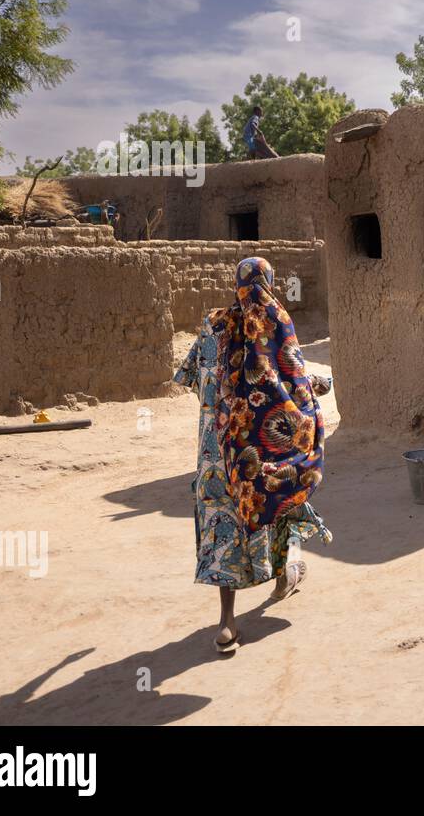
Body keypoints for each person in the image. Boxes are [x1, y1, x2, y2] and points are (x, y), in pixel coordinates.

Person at [174, 256, 332, 654]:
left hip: (215, 454)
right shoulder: (274, 323)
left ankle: (227, 624)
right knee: (277, 500)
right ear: (270, 283)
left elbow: (189, 377)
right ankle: (284, 577)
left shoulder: (213, 326)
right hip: (261, 452)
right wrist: (314, 387)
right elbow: (287, 381)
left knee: (222, 526)